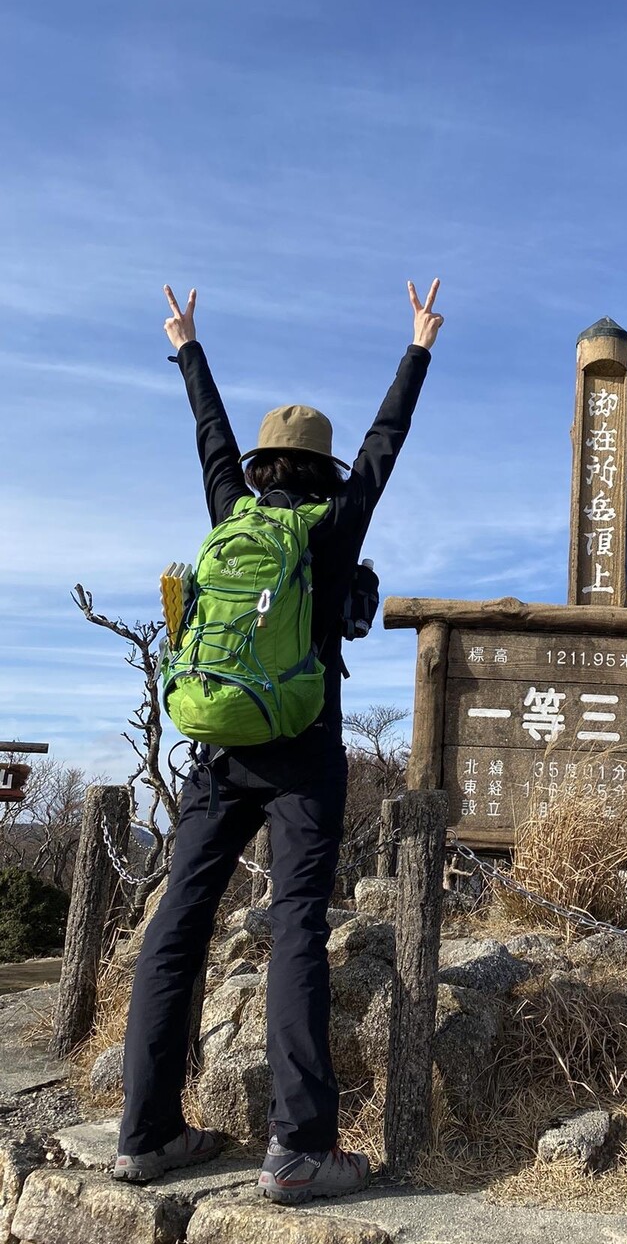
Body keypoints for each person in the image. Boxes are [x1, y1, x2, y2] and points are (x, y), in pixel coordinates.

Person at [113, 279, 444, 1204]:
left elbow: (209, 438)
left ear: (262, 469)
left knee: (180, 920)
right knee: (297, 924)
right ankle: (298, 1147)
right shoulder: (330, 531)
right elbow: (385, 448)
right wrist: (418, 348)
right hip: (302, 748)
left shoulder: (233, 516)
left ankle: (146, 1134)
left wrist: (188, 347)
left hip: (217, 751)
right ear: (322, 472)